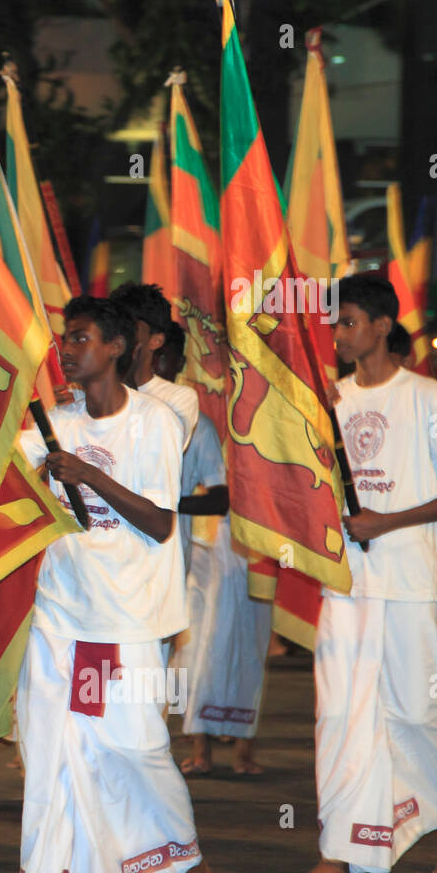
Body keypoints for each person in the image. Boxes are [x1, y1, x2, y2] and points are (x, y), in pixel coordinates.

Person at [0, 296, 209, 873]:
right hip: (61, 615)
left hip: (127, 621)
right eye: (63, 340)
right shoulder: (51, 422)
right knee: (53, 755)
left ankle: (186, 861)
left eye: (80, 338)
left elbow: (160, 521)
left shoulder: (157, 423)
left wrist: (88, 476)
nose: (66, 349)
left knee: (130, 751)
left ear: (116, 347)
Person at [277, 274, 437, 873]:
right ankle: (339, 856)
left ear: (383, 327)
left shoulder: (426, 397)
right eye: (335, 324)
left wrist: (387, 520)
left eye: (349, 323)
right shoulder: (329, 399)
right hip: (347, 583)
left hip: (409, 578)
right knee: (339, 715)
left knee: (414, 712)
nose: (337, 334)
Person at [154, 325, 271, 776]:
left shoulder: (253, 402)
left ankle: (243, 748)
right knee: (198, 647)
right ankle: (197, 745)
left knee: (247, 641)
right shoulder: (184, 408)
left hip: (251, 539)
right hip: (200, 546)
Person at [111, 282, 199, 450]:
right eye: (115, 326)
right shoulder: (91, 388)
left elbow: (153, 453)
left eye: (129, 328)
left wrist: (127, 380)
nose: (119, 336)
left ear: (155, 340)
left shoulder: (178, 398)